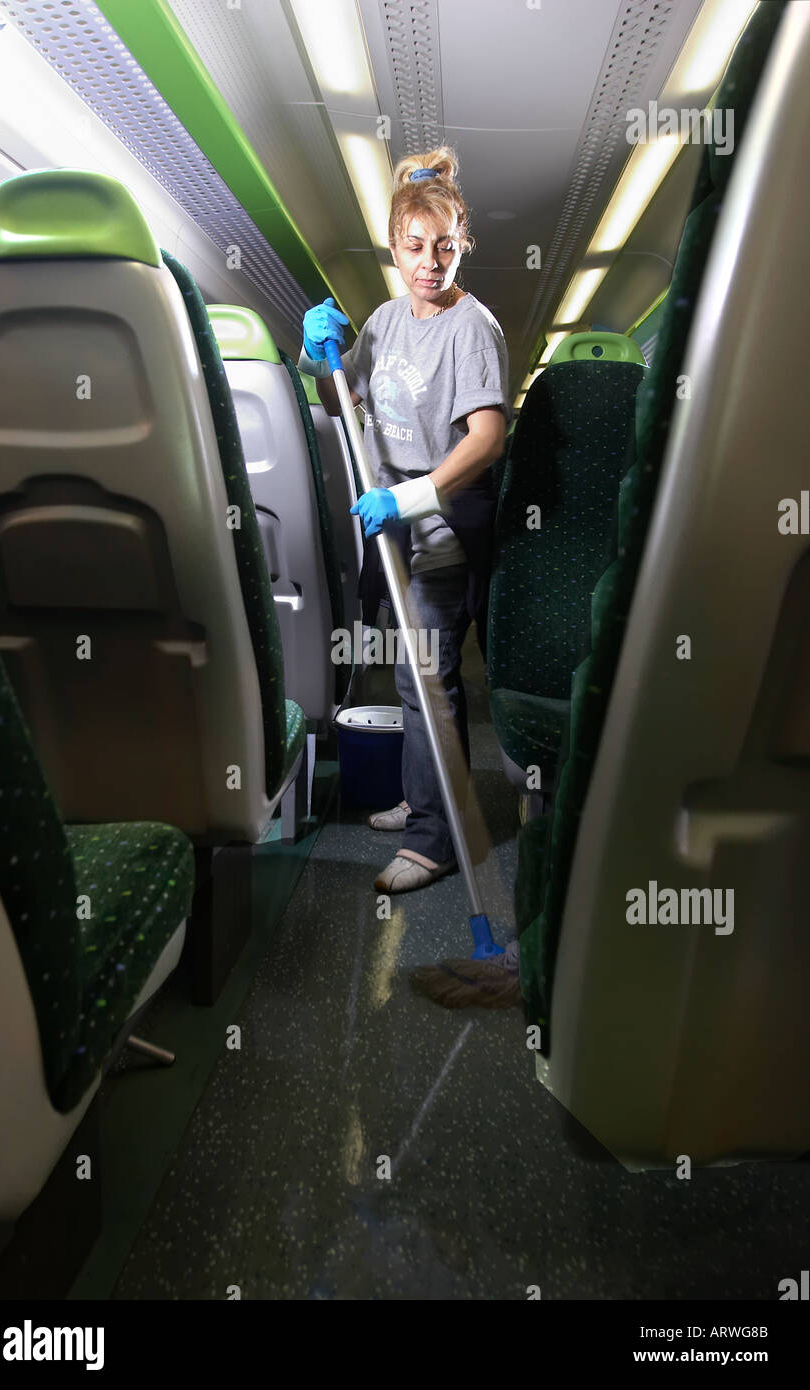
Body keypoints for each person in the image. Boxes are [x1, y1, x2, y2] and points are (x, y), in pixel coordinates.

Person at [299, 146, 510, 893]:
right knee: (410, 676)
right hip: (391, 535)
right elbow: (340, 405)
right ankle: (425, 799)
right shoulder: (386, 321)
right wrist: (313, 358)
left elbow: (486, 438)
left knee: (428, 683)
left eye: (445, 247)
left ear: (463, 246)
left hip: (439, 534)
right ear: (393, 248)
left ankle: (436, 837)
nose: (431, 263)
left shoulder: (471, 329)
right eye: (416, 248)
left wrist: (411, 496)